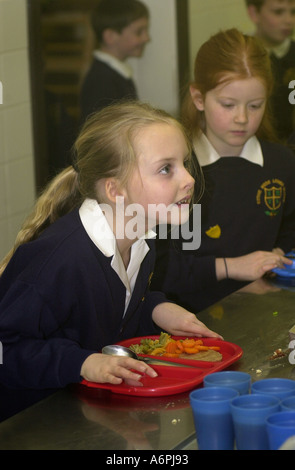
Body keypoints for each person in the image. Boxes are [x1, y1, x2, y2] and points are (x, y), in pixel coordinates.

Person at [0, 101, 221, 394]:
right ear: (116, 191)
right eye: (166, 168)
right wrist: (82, 363)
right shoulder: (60, 259)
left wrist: (155, 308)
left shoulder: (143, 241)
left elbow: (109, 313)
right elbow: (8, 348)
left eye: (185, 163)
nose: (189, 179)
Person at [151, 28, 295, 313]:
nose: (242, 118)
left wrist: (279, 252)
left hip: (259, 312)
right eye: (228, 105)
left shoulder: (281, 162)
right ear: (199, 97)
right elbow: (157, 264)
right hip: (186, 317)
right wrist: (231, 267)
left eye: (255, 106)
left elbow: (289, 227)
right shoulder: (174, 171)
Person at [79, 0, 150, 123]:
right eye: (139, 32)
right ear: (110, 36)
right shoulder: (101, 81)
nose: (147, 38)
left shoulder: (113, 74)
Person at [245, 0, 295, 142]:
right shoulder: (240, 55)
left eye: (293, 12)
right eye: (278, 12)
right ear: (254, 13)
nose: (289, 20)